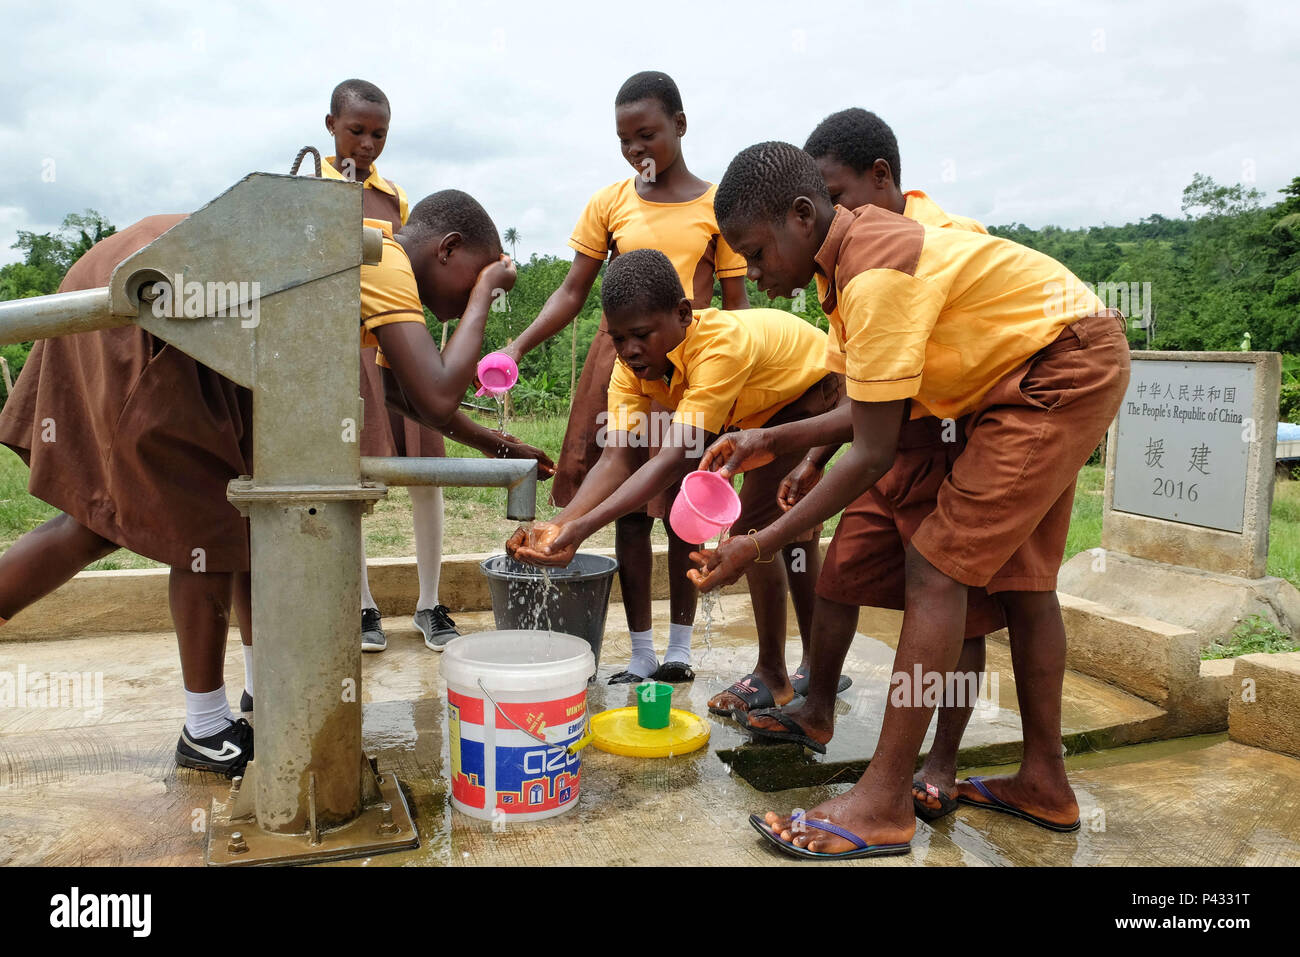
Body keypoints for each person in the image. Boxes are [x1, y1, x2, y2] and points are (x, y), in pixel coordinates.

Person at [694, 141, 1128, 858]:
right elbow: (869, 409)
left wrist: (759, 541)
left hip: (1059, 364)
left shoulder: (873, 272)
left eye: (756, 251)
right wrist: (758, 441)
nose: (754, 272)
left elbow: (872, 450)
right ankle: (1045, 783)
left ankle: (884, 799)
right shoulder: (849, 269)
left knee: (938, 567)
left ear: (803, 216)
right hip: (1039, 362)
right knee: (1020, 580)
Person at [746, 108, 1004, 823]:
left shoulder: (936, 240)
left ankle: (939, 760)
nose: (831, 214)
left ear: (881, 179)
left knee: (958, 604)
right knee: (841, 573)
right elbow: (855, 382)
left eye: (836, 194)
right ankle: (818, 705)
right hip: (883, 441)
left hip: (945, 443)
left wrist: (762, 537)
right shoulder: (842, 265)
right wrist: (807, 456)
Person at [505, 248, 848, 711]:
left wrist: (580, 531)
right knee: (795, 538)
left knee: (756, 530)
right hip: (755, 413)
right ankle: (819, 669)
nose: (628, 350)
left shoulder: (719, 346)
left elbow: (672, 460)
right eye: (618, 337)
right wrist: (562, 523)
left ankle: (777, 673)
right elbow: (616, 459)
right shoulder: (629, 369)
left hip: (811, 392)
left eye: (641, 335)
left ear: (683, 314)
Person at [501, 71, 748, 685]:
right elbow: (571, 291)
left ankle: (680, 648)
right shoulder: (610, 202)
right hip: (622, 368)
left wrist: (738, 390)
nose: (637, 151)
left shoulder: (717, 206)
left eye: (648, 134)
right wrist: (518, 343)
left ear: (680, 126)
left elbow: (739, 308)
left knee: (684, 506)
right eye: (624, 139)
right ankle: (640, 652)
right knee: (626, 510)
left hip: (696, 371)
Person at [319, 78, 458, 654]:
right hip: (338, 355)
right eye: (357, 131)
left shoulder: (393, 198)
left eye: (379, 134)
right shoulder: (307, 188)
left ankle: (430, 602)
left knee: (426, 476)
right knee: (351, 483)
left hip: (393, 351)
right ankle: (362, 606)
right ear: (331, 125)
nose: (368, 144)